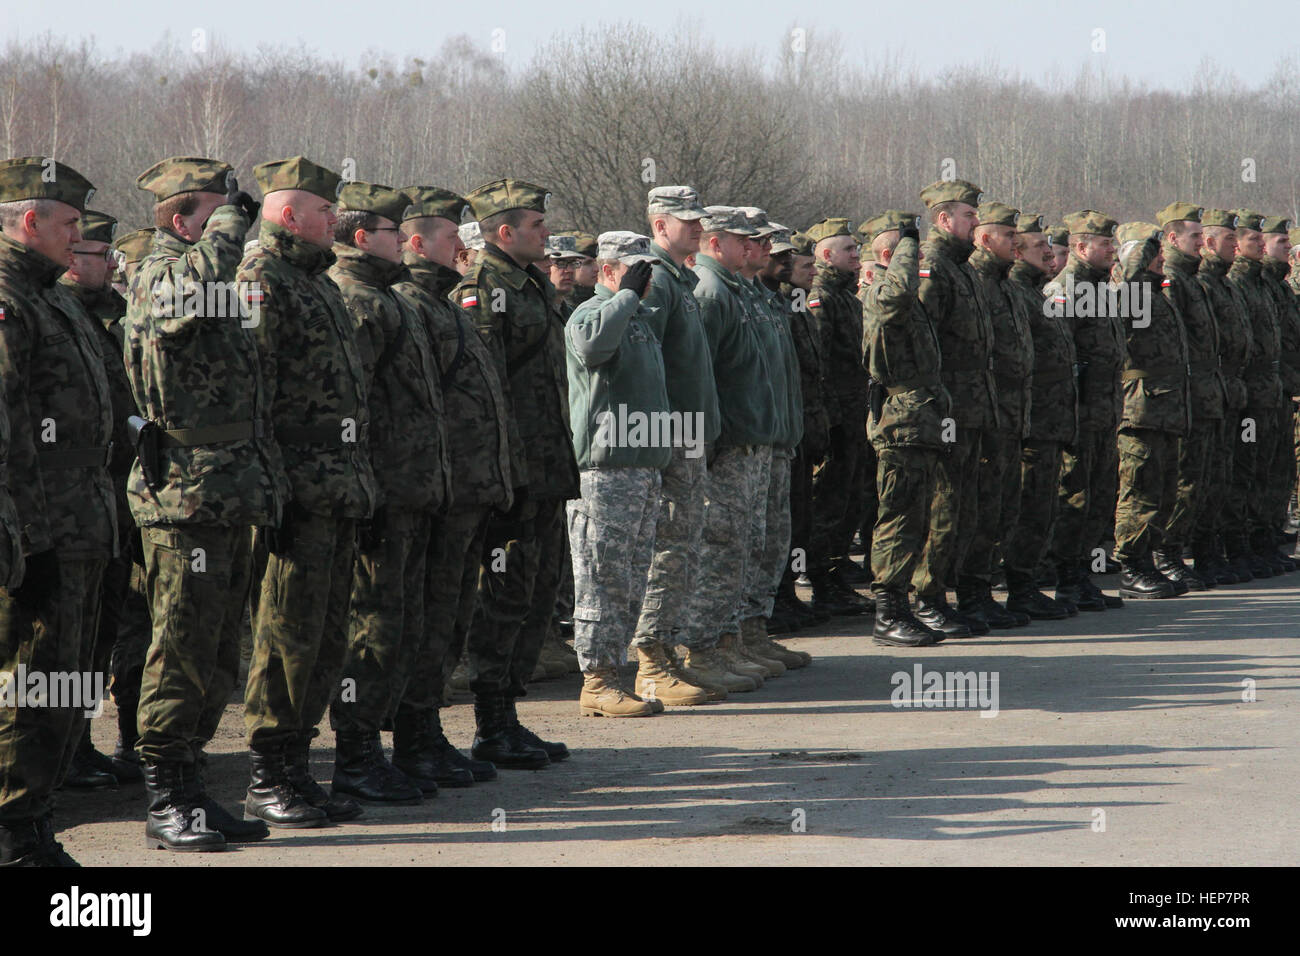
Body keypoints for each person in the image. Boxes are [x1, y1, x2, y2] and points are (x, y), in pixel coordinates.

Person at [240, 155, 379, 827]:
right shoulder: (262, 279)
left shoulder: (316, 282)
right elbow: (254, 391)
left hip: (338, 489)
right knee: (285, 635)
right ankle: (267, 772)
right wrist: (272, 487)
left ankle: (297, 765)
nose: (336, 220)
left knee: (324, 638)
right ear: (287, 215)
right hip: (296, 491)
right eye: (325, 211)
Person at [0, 156, 114, 866]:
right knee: (27, 682)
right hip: (35, 533)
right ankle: (11, 831)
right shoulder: (9, 299)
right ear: (29, 221)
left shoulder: (54, 296)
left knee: (64, 682)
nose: (79, 236)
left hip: (77, 527)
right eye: (69, 223)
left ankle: (35, 821)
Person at [327, 182, 450, 805]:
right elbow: (355, 407)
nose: (402, 243)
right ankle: (354, 754)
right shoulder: (357, 299)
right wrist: (368, 491)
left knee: (401, 622)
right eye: (389, 233)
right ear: (358, 237)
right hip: (385, 492)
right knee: (371, 626)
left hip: (411, 490)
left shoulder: (385, 297)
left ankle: (394, 744)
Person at [454, 179, 578, 768]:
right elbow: (483, 391)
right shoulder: (483, 288)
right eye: (536, 225)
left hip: (546, 467)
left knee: (534, 593)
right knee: (501, 594)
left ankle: (508, 714)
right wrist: (503, 473)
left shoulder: (529, 285)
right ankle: (489, 721)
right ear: (504, 232)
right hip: (513, 475)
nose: (546, 233)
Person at [393, 186, 510, 783]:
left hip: (465, 487)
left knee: (450, 615)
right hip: (439, 488)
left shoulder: (440, 303)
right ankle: (412, 736)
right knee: (427, 615)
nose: (462, 247)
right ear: (417, 243)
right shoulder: (409, 303)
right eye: (449, 238)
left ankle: (429, 730)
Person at [57, 209, 148, 788]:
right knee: (69, 636)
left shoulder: (118, 314)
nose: (110, 263)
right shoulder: (55, 312)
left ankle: (87, 740)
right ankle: (64, 746)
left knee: (106, 628)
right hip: (74, 499)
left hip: (121, 492)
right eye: (96, 253)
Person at [564, 231, 671, 716]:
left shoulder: (639, 320)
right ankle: (596, 679)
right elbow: (589, 347)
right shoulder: (592, 313)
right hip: (605, 472)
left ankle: (616, 673)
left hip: (642, 468)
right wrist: (625, 294)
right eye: (634, 270)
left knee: (630, 579)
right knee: (601, 577)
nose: (645, 279)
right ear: (608, 270)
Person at [630, 186, 724, 705]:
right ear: (659, 224)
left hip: (689, 432)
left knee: (683, 547)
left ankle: (665, 653)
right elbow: (647, 362)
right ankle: (648, 662)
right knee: (666, 548)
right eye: (686, 221)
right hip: (670, 433)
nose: (697, 229)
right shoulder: (656, 279)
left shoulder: (679, 279)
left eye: (699, 221)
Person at [681, 206, 777, 692]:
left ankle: (728, 640)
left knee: (741, 545)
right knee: (719, 548)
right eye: (744, 239)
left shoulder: (737, 290)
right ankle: (701, 649)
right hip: (728, 444)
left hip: (751, 439)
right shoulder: (711, 290)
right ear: (717, 243)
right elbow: (704, 376)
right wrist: (709, 442)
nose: (755, 246)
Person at [859, 210, 948, 646]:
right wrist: (908, 244)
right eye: (909, 253)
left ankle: (903, 607)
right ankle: (888, 612)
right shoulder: (880, 292)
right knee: (898, 518)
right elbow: (895, 293)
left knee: (915, 517)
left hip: (920, 420)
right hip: (900, 422)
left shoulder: (903, 297)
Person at [911, 179, 992, 638]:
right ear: (944, 220)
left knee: (961, 507)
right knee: (941, 507)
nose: (975, 223)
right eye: (968, 216)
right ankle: (925, 597)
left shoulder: (963, 270)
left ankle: (944, 590)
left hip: (973, 408)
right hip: (946, 410)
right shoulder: (933, 267)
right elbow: (924, 343)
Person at [955, 201, 1032, 630]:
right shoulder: (976, 282)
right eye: (1009, 236)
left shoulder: (1004, 285)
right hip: (981, 414)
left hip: (1005, 415)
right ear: (985, 239)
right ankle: (969, 592)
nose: (1016, 244)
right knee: (977, 507)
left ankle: (981, 590)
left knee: (998, 507)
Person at [1045, 211, 1126, 611]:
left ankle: (1084, 576)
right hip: (1079, 415)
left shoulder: (1102, 288)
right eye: (1104, 244)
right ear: (1080, 247)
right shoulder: (1066, 288)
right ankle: (1067, 579)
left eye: (1112, 243)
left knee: (1097, 498)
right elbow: (1061, 359)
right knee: (1074, 499)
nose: (1112, 250)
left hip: (1104, 413)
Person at [1002, 212, 1078, 620]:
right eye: (1039, 247)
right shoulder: (1015, 291)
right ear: (1016, 252)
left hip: (1050, 420)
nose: (1050, 253)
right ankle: (1017, 585)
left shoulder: (1038, 292)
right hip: (1030, 422)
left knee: (1042, 506)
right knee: (1027, 507)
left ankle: (1027, 584)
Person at [1111, 222, 1189, 598]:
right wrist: (1139, 253)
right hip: (1139, 408)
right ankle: (1131, 565)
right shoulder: (1129, 294)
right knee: (1139, 489)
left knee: (1163, 489)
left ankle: (1149, 558)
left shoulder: (1158, 295)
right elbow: (1128, 283)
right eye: (1152, 254)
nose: (1161, 259)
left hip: (1166, 407)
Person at [805, 217, 874, 617]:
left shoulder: (847, 297)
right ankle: (820, 581)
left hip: (854, 416)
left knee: (847, 499)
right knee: (829, 502)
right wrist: (828, 421)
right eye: (849, 249)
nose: (856, 255)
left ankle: (833, 576)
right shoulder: (821, 298)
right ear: (826, 255)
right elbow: (820, 364)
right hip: (837, 419)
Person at [1155, 203, 1225, 590]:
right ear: (1172, 238)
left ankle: (1195, 550)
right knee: (1182, 479)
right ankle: (1166, 553)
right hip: (1185, 396)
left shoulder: (1193, 280)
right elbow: (1171, 345)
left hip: (1206, 393)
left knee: (1202, 478)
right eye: (1195, 236)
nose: (1203, 243)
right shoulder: (1170, 279)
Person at [1227, 209, 1288, 577]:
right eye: (1259, 240)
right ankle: (1239, 545)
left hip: (1272, 392)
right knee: (1243, 473)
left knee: (1269, 471)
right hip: (1247, 394)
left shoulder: (1265, 283)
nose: (1271, 247)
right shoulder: (1236, 283)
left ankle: (1263, 541)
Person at [1195, 210, 1253, 583]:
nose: (1245, 248)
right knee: (1196, 480)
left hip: (1235, 393)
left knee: (1232, 475)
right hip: (1200, 396)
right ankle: (1192, 553)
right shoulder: (1195, 283)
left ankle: (1235, 546)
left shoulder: (1227, 284)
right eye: (1231, 240)